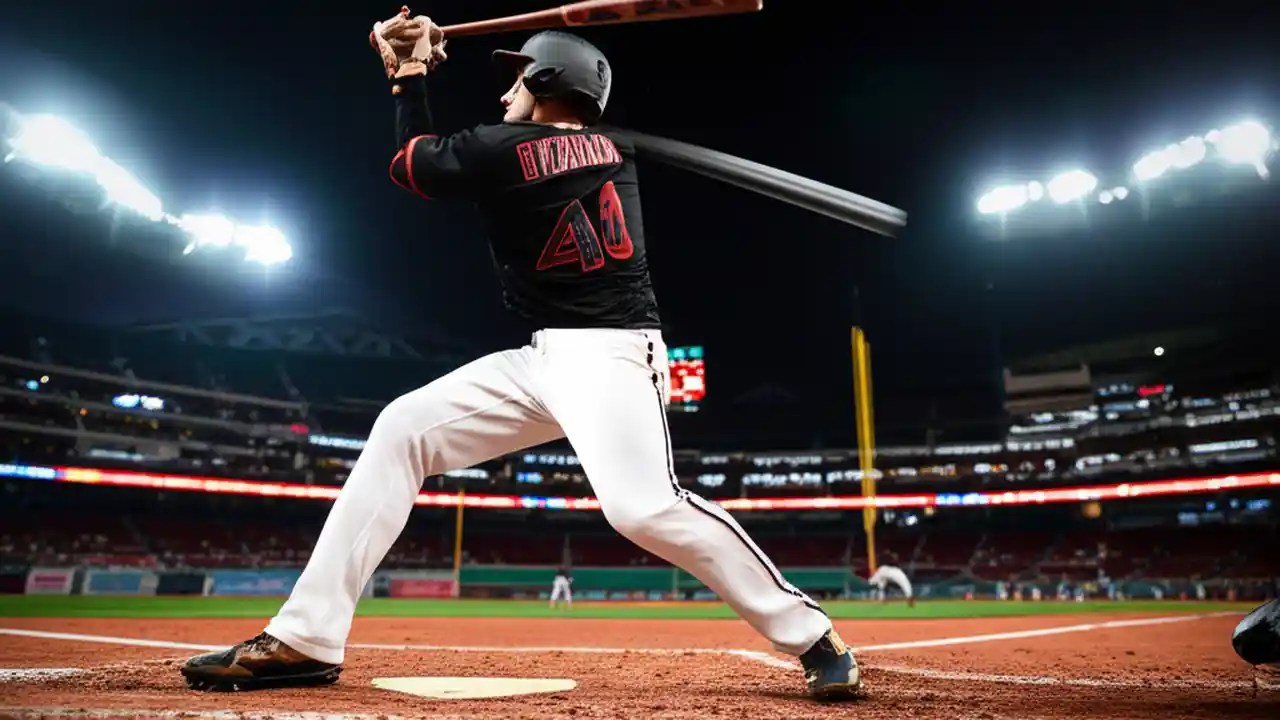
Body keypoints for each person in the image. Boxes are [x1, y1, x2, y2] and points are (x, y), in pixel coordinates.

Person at [178, 9, 861, 701]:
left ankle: (811, 634)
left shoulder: (505, 147)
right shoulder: (608, 149)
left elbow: (413, 163)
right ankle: (307, 637)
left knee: (644, 509)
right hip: (543, 360)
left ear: (545, 79)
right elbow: (479, 156)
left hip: (609, 357)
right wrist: (417, 66)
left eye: (517, 80)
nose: (505, 94)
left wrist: (409, 75)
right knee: (403, 430)